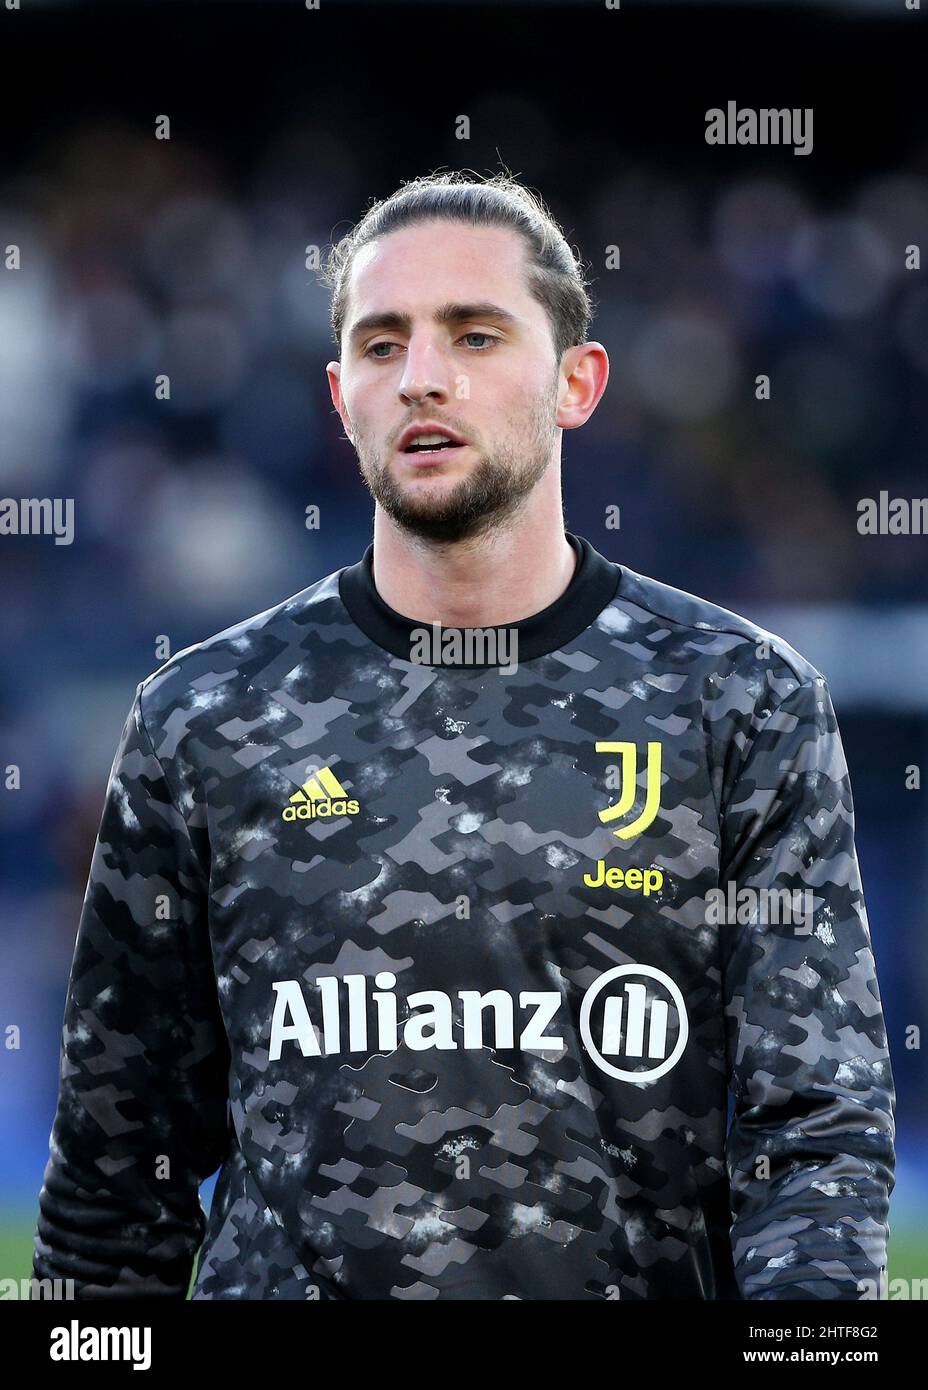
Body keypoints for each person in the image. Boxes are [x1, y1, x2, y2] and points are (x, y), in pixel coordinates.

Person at [33, 170, 895, 1300]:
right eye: (382, 345)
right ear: (340, 393)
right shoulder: (205, 716)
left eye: (475, 334)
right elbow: (112, 1187)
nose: (423, 377)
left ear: (577, 382)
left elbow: (815, 1135)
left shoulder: (741, 701)